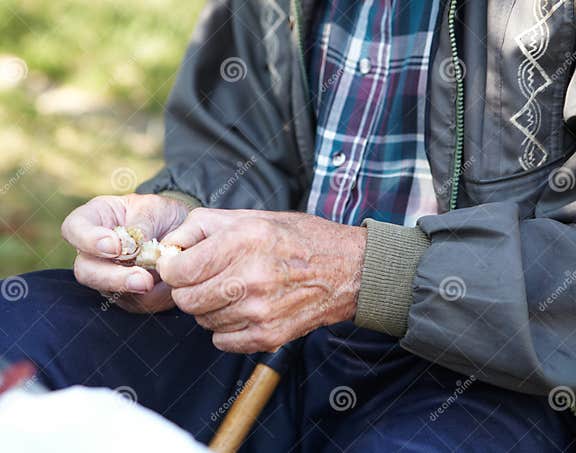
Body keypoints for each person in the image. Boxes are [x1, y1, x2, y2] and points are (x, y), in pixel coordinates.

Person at [1, 1, 575, 450]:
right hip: (251, 326)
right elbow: (235, 140)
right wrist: (184, 215)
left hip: (491, 370)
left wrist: (368, 272)